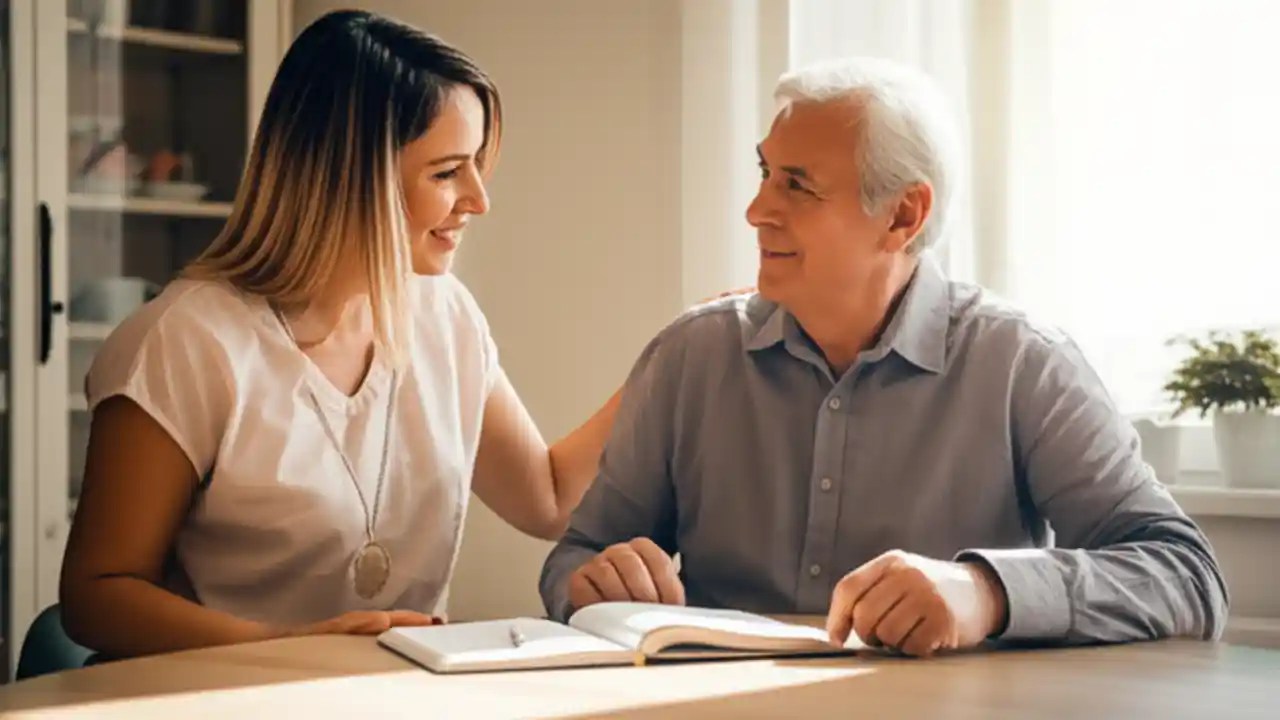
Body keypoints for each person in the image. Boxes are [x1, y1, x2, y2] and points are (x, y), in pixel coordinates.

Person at [539, 57, 1229, 657]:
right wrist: (590, 583)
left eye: (797, 186)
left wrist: (986, 591)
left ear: (903, 216)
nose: (755, 210)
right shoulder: (690, 357)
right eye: (765, 173)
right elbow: (577, 557)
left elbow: (1187, 577)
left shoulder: (1023, 363)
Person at [60, 10, 625, 659]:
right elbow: (98, 594)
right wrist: (286, 645)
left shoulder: (445, 315)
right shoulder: (185, 343)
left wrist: (673, 354)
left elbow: (547, 500)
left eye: (476, 168)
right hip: (224, 696)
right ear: (351, 177)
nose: (478, 199)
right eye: (446, 173)